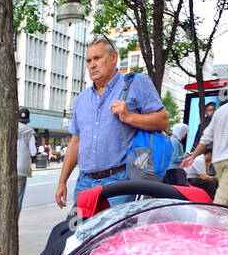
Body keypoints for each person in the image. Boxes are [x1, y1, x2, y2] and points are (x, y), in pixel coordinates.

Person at [54, 38, 167, 209]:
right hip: (84, 183)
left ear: (113, 57)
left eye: (97, 58)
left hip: (119, 182)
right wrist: (62, 182)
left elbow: (162, 120)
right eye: (89, 60)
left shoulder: (136, 83)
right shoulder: (82, 98)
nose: (92, 65)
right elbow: (75, 142)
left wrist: (129, 116)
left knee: (115, 233)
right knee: (80, 233)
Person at [180, 77, 228, 207]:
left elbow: (206, 136)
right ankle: (212, 221)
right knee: (223, 196)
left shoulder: (221, 110)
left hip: (218, 159)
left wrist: (193, 156)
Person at [16, 106, 36, 210]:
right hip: (22, 168)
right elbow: (33, 152)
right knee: (18, 198)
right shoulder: (30, 132)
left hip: (10, 167)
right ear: (27, 120)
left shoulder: (11, 129)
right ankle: (15, 220)